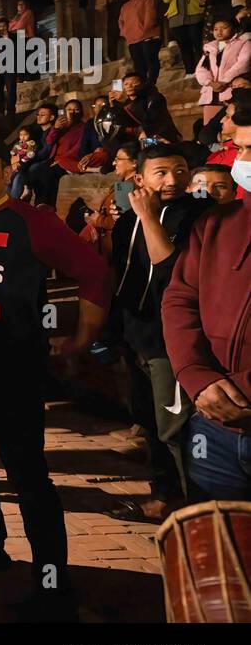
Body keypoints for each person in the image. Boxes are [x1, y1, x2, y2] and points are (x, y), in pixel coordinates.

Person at [0, 134, 110, 621]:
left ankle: (53, 583)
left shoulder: (33, 224)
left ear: (6, 171)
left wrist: (80, 339)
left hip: (13, 372)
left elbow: (94, 273)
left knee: (28, 475)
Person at [108, 144, 206, 518]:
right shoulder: (125, 221)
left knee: (175, 428)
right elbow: (121, 275)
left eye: (180, 171)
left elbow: (168, 269)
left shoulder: (196, 216)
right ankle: (163, 497)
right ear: (139, 178)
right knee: (148, 421)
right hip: (137, 335)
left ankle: (197, 511)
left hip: (172, 340)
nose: (173, 180)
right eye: (161, 172)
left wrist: (149, 217)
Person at [161, 110, 251, 500]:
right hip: (214, 429)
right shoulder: (218, 222)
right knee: (215, 553)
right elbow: (180, 298)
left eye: (250, 149)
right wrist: (198, 377)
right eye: (240, 148)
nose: (240, 162)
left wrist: (239, 392)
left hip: (231, 404)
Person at [24, 99, 100, 207]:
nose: (72, 112)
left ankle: (43, 205)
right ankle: (41, 204)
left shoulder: (83, 128)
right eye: (69, 109)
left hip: (68, 162)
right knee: (37, 171)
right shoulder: (61, 127)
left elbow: (80, 148)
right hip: (55, 160)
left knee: (44, 172)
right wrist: (55, 128)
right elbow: (49, 141)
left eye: (76, 110)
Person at [194, 16, 250, 124]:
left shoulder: (244, 44)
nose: (219, 31)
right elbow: (201, 68)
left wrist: (224, 81)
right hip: (212, 93)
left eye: (224, 28)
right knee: (210, 127)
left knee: (230, 125)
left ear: (235, 28)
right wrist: (209, 82)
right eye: (216, 29)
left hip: (231, 91)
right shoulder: (209, 48)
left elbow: (243, 64)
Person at [162, 0, 210, 74]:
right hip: (176, 18)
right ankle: (189, 72)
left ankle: (202, 71)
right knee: (184, 46)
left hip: (194, 15)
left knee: (197, 44)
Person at [119, 0, 162, 85]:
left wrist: (144, 29)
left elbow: (150, 15)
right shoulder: (125, 6)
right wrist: (126, 33)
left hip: (148, 36)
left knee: (151, 60)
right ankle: (141, 85)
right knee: (138, 64)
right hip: (132, 40)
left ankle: (151, 83)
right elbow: (121, 21)